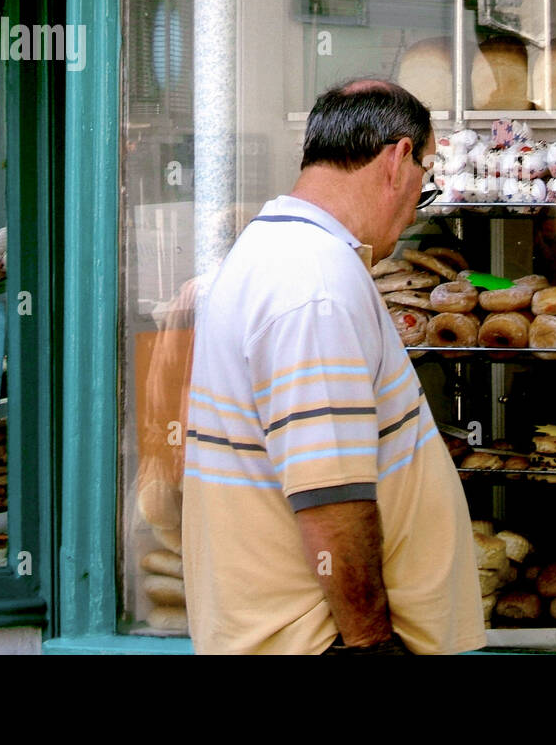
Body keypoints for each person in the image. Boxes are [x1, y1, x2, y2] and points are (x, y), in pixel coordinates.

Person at [181, 80, 485, 655]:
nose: (422, 192)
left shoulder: (277, 253)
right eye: (427, 170)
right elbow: (329, 497)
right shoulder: (314, 284)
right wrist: (371, 643)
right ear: (398, 158)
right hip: (323, 643)